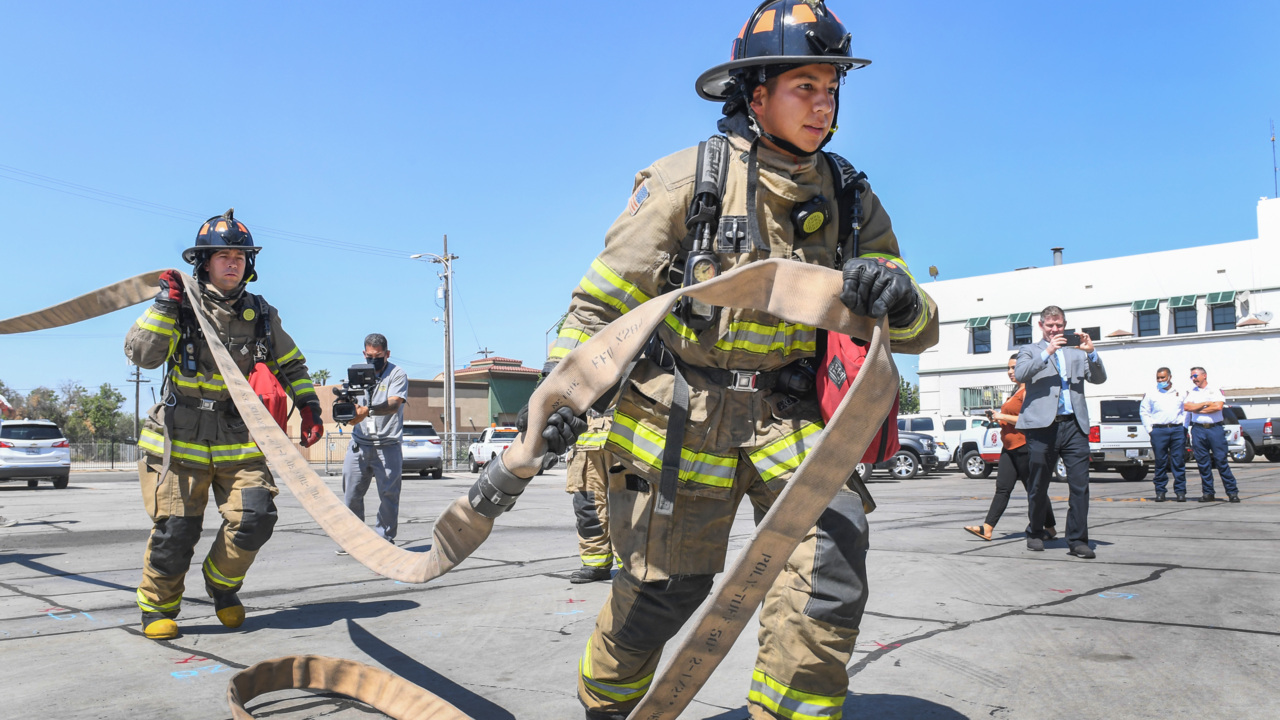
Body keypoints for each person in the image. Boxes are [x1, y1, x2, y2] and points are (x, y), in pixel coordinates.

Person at [534, 3, 938, 717]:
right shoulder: (686, 181)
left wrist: (898, 298)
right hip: (682, 418)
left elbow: (914, 324)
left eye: (832, 88)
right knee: (664, 593)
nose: (824, 104)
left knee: (832, 567)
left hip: (791, 419)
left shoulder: (850, 195)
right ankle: (603, 706)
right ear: (757, 95)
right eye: (805, 87)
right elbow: (598, 308)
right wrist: (565, 397)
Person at [125, 209, 324, 640]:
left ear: (248, 264)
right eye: (221, 255)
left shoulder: (262, 314)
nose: (232, 262)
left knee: (256, 517)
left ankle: (222, 584)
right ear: (204, 262)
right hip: (181, 441)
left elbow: (291, 362)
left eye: (239, 255)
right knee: (177, 530)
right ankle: (157, 606)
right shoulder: (180, 307)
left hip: (239, 439)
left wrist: (309, 404)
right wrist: (164, 305)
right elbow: (142, 355)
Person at [1015, 306, 1106, 559]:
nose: (1055, 330)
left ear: (1065, 325)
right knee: (1038, 483)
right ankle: (1035, 530)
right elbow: (1021, 374)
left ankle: (1077, 539)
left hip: (1074, 425)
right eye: (1050, 326)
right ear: (1041, 326)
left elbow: (1099, 379)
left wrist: (1092, 353)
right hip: (1043, 427)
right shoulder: (1030, 351)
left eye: (1060, 326)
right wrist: (1048, 351)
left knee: (1080, 485)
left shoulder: (1076, 353)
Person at [964, 354, 1056, 541]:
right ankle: (987, 528)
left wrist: (1001, 417)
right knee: (1002, 489)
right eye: (1008, 368)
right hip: (1009, 447)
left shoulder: (1029, 391)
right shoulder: (1015, 391)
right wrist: (998, 418)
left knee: (1035, 490)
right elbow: (1011, 419)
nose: (1010, 372)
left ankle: (1050, 528)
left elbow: (1030, 420)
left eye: (1014, 368)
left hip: (1025, 447)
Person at [337, 333, 409, 551]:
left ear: (387, 354)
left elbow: (394, 404)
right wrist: (345, 408)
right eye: (369, 356)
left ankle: (384, 539)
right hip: (359, 444)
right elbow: (349, 404)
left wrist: (367, 410)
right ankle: (353, 540)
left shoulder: (397, 374)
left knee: (388, 495)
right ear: (364, 353)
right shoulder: (356, 374)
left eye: (378, 356)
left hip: (387, 445)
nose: (373, 360)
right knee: (351, 494)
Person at [564, 411, 617, 583]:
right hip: (584, 447)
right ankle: (596, 564)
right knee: (588, 509)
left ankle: (632, 565)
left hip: (623, 442)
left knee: (630, 506)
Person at [1184, 366, 1239, 503]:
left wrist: (1198, 409)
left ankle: (1232, 492)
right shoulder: (1192, 392)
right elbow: (1187, 407)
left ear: (1204, 376)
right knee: (1203, 463)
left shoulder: (1215, 390)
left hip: (1215, 429)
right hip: (1198, 429)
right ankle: (1208, 493)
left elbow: (1218, 407)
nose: (1193, 379)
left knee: (1221, 460)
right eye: (1191, 376)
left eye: (1195, 376)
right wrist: (1205, 404)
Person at [1139, 366, 1187, 502]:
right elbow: (1144, 411)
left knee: (1178, 461)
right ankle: (1160, 491)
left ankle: (1180, 491)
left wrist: (1184, 427)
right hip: (1159, 431)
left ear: (1170, 377)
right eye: (1158, 378)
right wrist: (1150, 430)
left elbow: (1186, 411)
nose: (1160, 380)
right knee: (1160, 461)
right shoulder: (1151, 393)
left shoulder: (1180, 392)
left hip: (1177, 429)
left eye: (1163, 378)